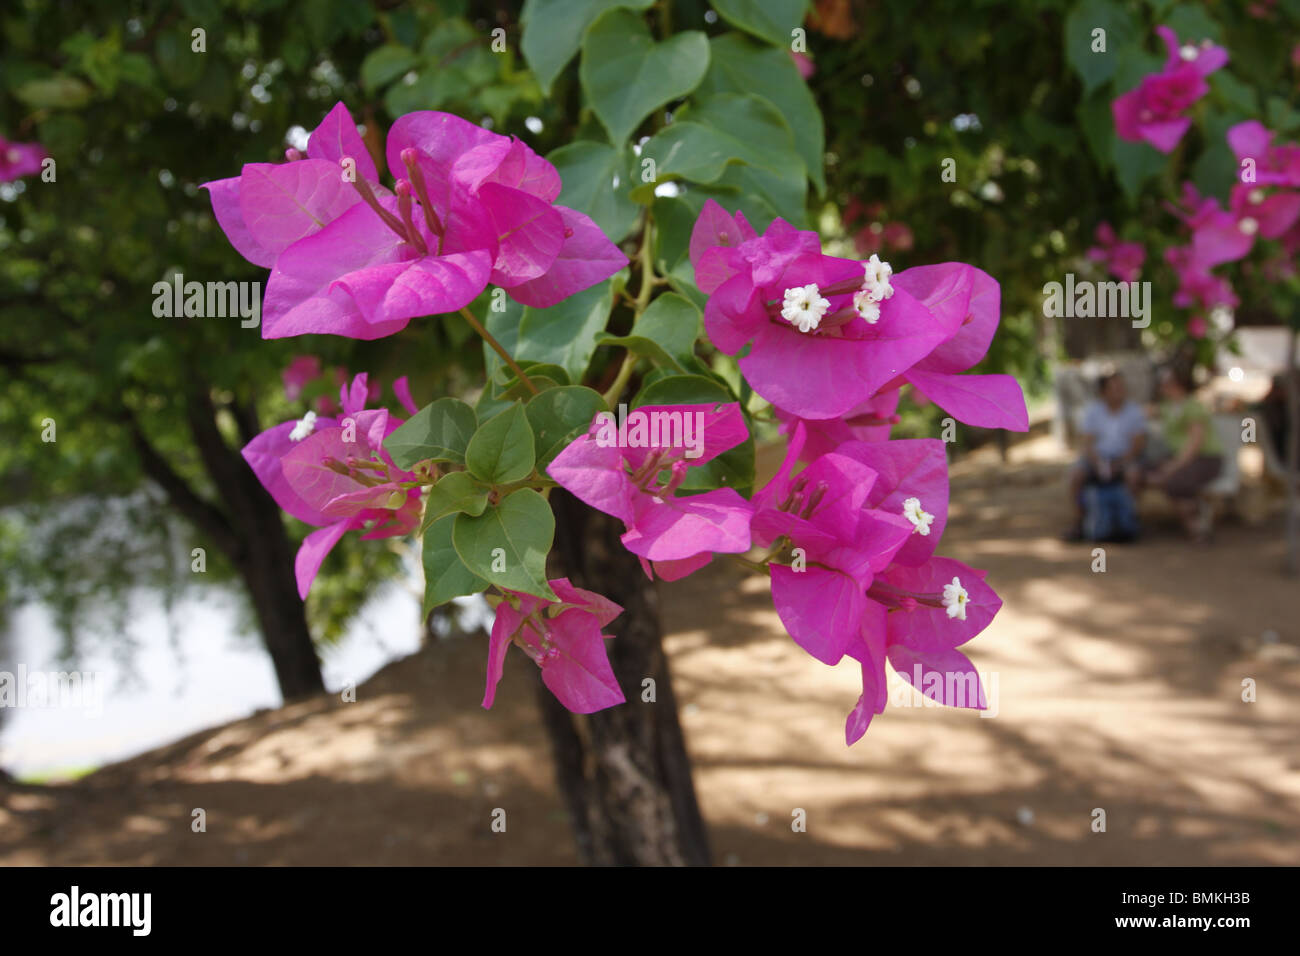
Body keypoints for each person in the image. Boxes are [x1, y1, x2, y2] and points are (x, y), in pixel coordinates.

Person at [1144, 364, 1223, 542]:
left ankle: (1197, 525)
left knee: (1175, 481)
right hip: (1183, 459)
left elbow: (1195, 444)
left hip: (1205, 458)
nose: (1162, 386)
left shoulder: (1193, 407)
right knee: (1148, 473)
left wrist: (1172, 466)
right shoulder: (1167, 407)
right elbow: (1143, 412)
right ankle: (1196, 524)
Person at [1064, 372, 1146, 540]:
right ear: (1103, 392)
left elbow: (1137, 444)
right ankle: (1080, 521)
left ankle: (1128, 520)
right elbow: (1087, 443)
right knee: (1076, 476)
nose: (1120, 391)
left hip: (1125, 458)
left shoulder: (1134, 411)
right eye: (1114, 388)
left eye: (1121, 387)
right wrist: (1099, 463)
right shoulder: (1093, 412)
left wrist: (1120, 463)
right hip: (1097, 458)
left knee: (1133, 475)